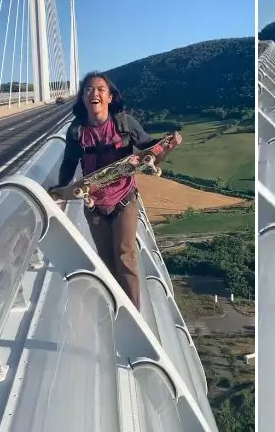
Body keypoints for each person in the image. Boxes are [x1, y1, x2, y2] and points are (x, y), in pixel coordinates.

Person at [50, 71, 180, 310]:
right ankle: (114, 308)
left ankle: (133, 315)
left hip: (124, 199)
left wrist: (167, 143)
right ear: (82, 99)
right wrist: (61, 191)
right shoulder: (77, 132)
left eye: (100, 89)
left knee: (125, 257)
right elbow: (69, 163)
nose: (94, 93)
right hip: (94, 205)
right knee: (107, 262)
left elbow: (148, 147)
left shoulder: (124, 123)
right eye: (88, 90)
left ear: (110, 97)